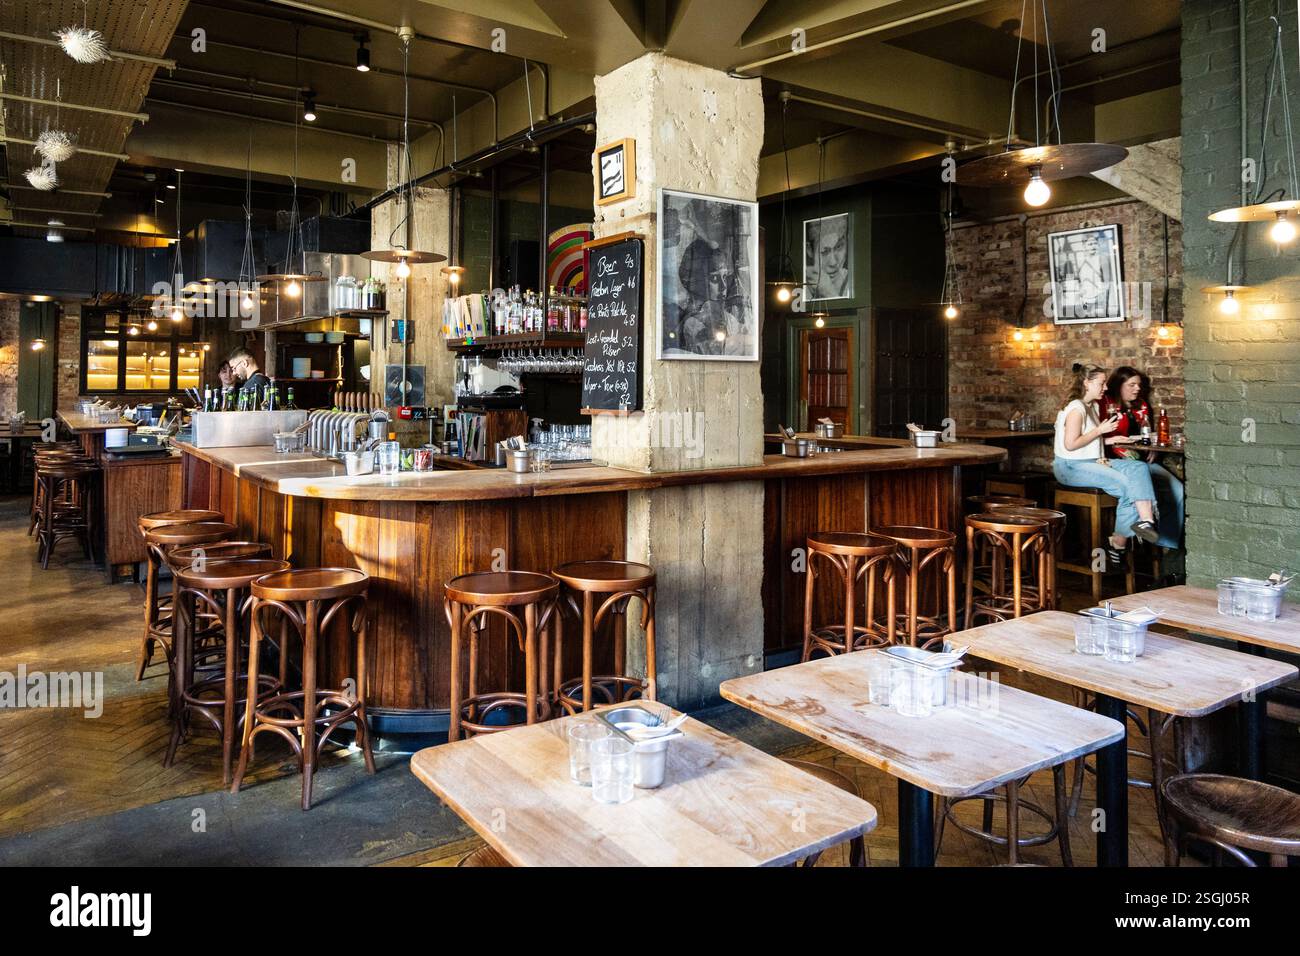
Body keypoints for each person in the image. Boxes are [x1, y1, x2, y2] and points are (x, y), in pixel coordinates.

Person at [1052, 363, 1160, 566]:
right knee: (1130, 487)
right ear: (1086, 383)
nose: (1106, 388)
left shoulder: (1091, 405)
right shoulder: (1076, 408)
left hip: (1091, 461)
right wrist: (1100, 431)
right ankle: (1118, 541)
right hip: (1070, 467)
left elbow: (1089, 440)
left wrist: (1110, 441)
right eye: (1101, 383)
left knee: (1139, 468)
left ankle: (1147, 522)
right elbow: (1070, 444)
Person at [1100, 366, 1184, 550]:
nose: (1137, 389)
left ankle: (1166, 546)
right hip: (1115, 462)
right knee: (1136, 492)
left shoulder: (1142, 405)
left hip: (1141, 462)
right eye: (1131, 385)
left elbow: (1146, 433)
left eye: (1138, 385)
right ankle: (1121, 542)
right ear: (1118, 385)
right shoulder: (1105, 404)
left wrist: (1153, 448)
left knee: (1178, 491)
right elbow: (1092, 437)